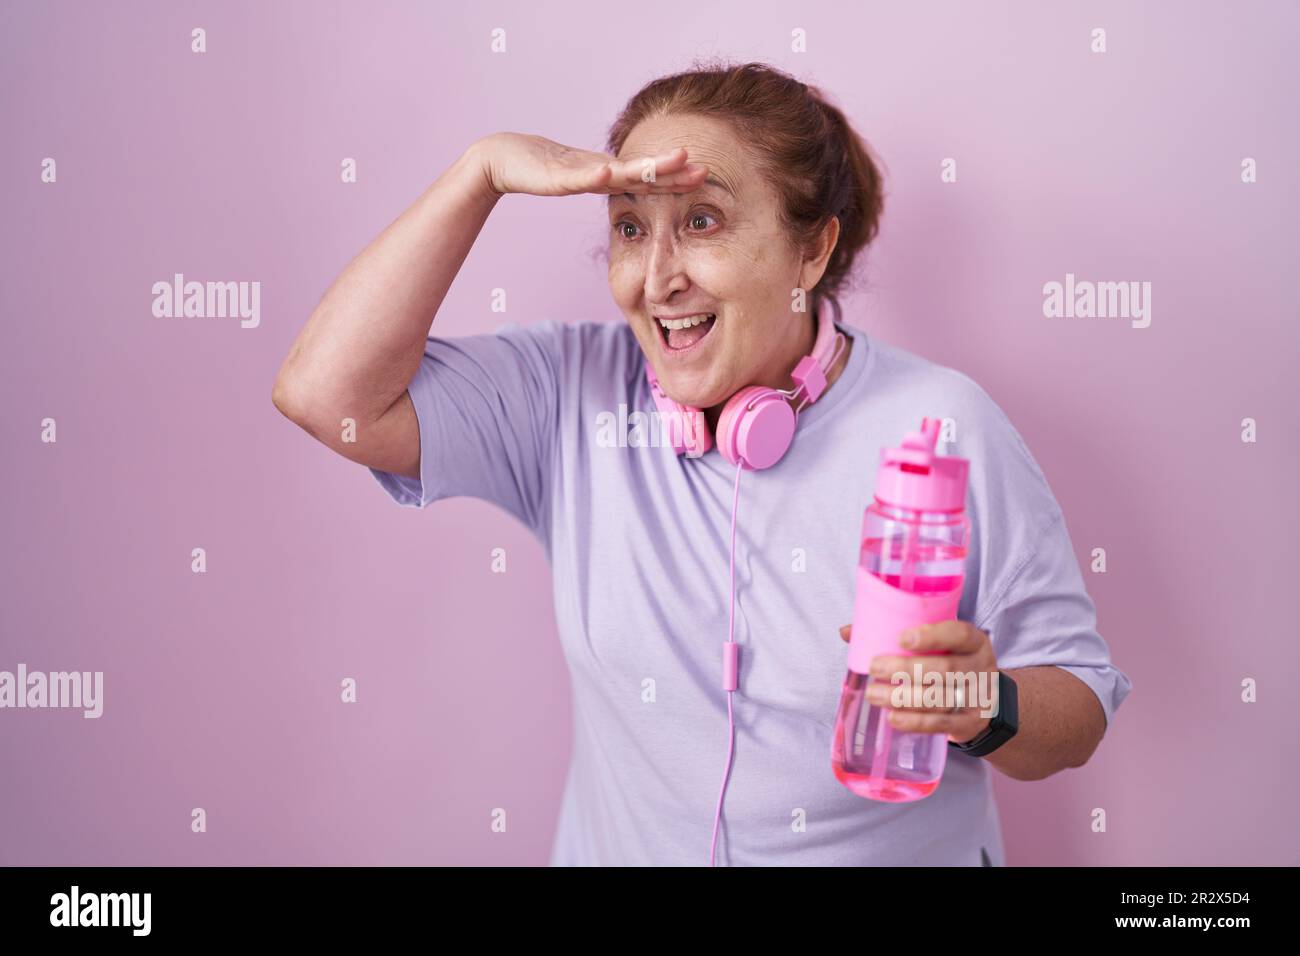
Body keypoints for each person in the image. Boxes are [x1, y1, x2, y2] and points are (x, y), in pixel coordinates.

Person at [273, 60, 1132, 866]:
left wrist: (984, 707)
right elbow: (323, 393)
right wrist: (480, 174)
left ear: (811, 252)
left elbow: (1079, 708)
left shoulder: (940, 425)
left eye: (702, 222)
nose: (657, 280)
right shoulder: (567, 394)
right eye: (629, 227)